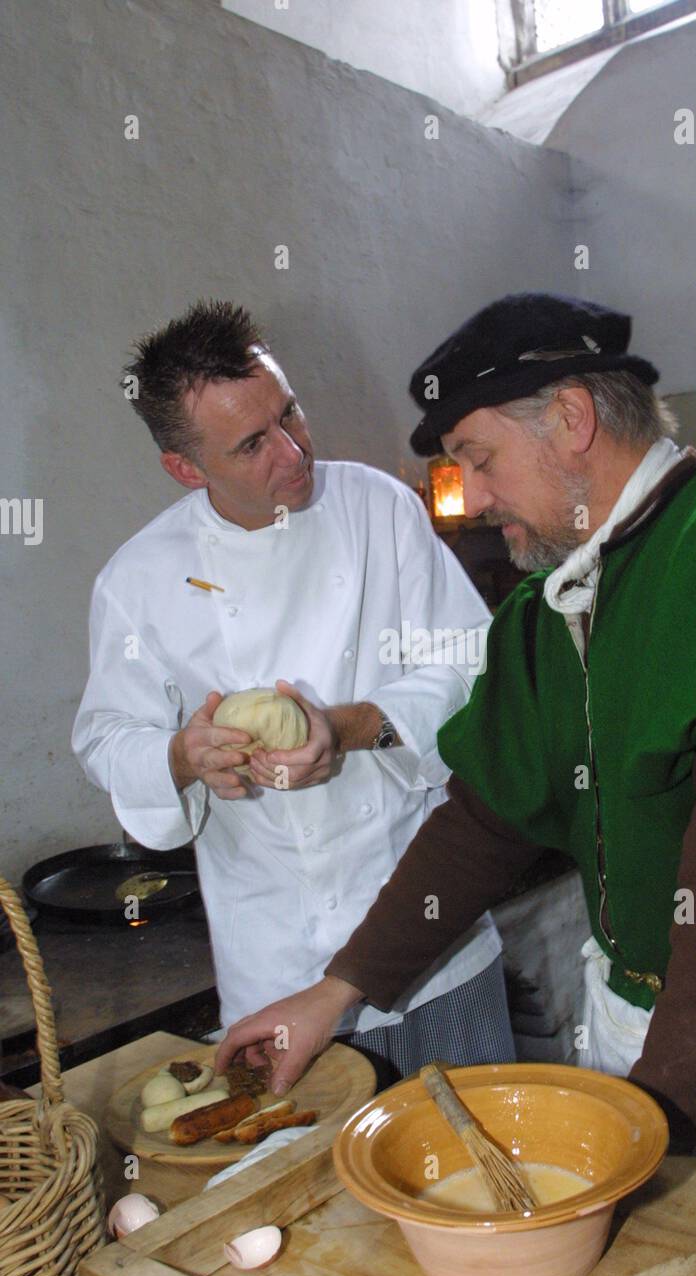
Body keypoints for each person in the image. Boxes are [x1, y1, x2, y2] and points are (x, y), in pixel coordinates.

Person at [217, 292, 696, 1198]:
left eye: (477, 460)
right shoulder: (546, 612)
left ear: (570, 419)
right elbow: (485, 824)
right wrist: (336, 994)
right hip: (637, 1041)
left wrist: (655, 1133)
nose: (471, 498)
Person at [72, 299, 514, 1084]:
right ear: (186, 468)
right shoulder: (139, 580)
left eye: (291, 412)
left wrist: (348, 729)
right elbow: (107, 736)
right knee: (315, 1194)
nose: (293, 449)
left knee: (483, 1184)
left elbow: (478, 668)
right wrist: (182, 754)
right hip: (277, 966)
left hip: (430, 940)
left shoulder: (377, 508)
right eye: (251, 443)